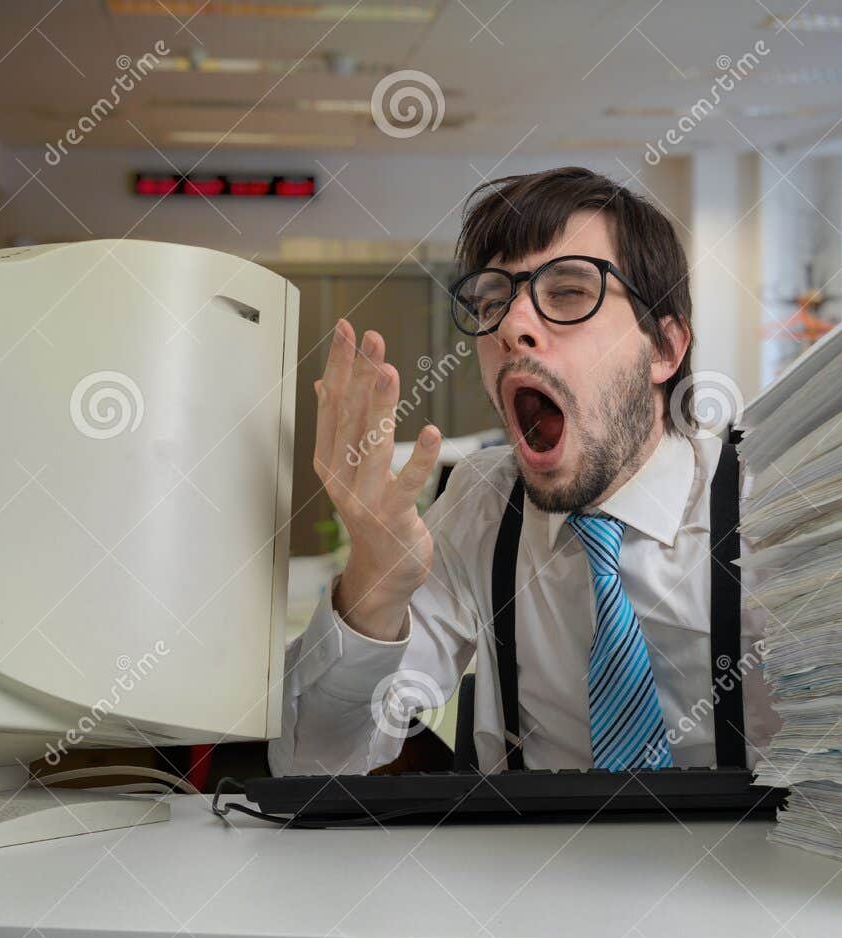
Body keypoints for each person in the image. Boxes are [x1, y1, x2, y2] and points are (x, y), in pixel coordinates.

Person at [269, 166, 777, 776]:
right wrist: (371, 589)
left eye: (567, 292)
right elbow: (312, 764)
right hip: (522, 869)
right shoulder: (481, 505)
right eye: (491, 301)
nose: (511, 327)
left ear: (664, 349)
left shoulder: (769, 508)